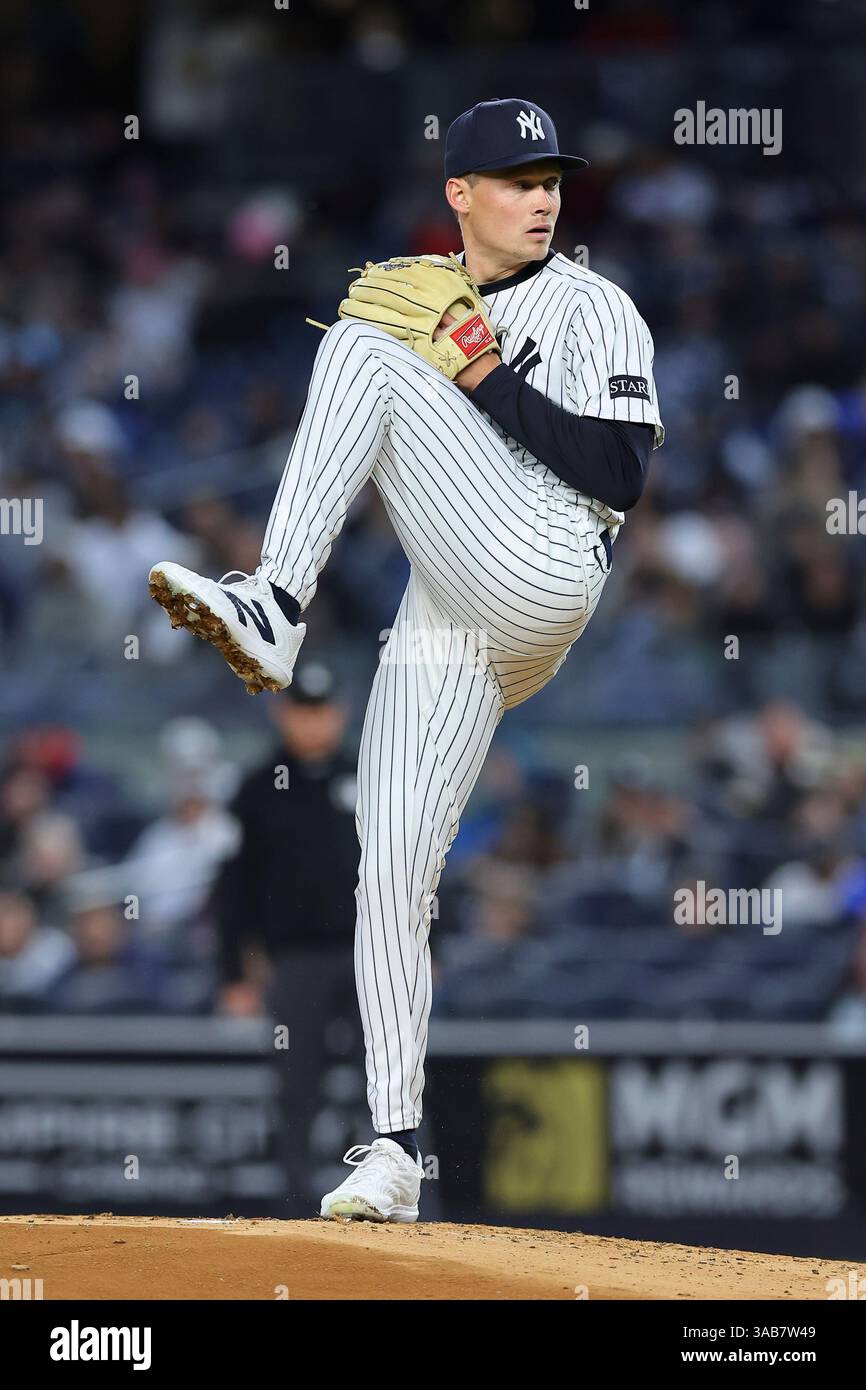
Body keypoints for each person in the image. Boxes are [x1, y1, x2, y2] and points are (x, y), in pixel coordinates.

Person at [148, 98, 664, 1222]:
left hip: (545, 555)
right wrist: (464, 368)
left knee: (362, 350)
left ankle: (279, 599)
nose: (541, 196)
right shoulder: (435, 294)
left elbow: (620, 471)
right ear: (459, 196)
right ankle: (391, 1149)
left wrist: (482, 378)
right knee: (385, 868)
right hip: (451, 606)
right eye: (516, 178)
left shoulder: (593, 305)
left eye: (550, 177)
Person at [214, 661, 362, 1215]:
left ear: (341, 714)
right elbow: (233, 890)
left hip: (373, 960)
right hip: (294, 963)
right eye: (303, 712)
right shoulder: (255, 790)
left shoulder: (373, 773)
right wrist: (233, 973)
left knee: (390, 1087)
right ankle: (297, 1210)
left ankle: (404, 1202)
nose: (313, 724)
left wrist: (429, 947)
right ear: (283, 714)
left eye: (322, 712)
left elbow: (413, 864)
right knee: (296, 1088)